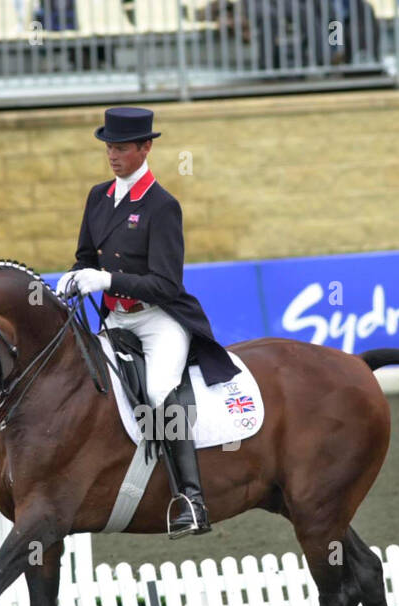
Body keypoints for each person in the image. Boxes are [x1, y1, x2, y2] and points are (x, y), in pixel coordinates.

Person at [57, 106, 241, 539]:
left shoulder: (162, 206)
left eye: (121, 148)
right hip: (114, 318)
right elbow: (86, 257)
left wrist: (106, 278)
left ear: (145, 148)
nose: (113, 155)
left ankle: (191, 500)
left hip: (158, 319)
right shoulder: (98, 198)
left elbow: (164, 283)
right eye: (109, 147)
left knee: (158, 391)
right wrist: (75, 275)